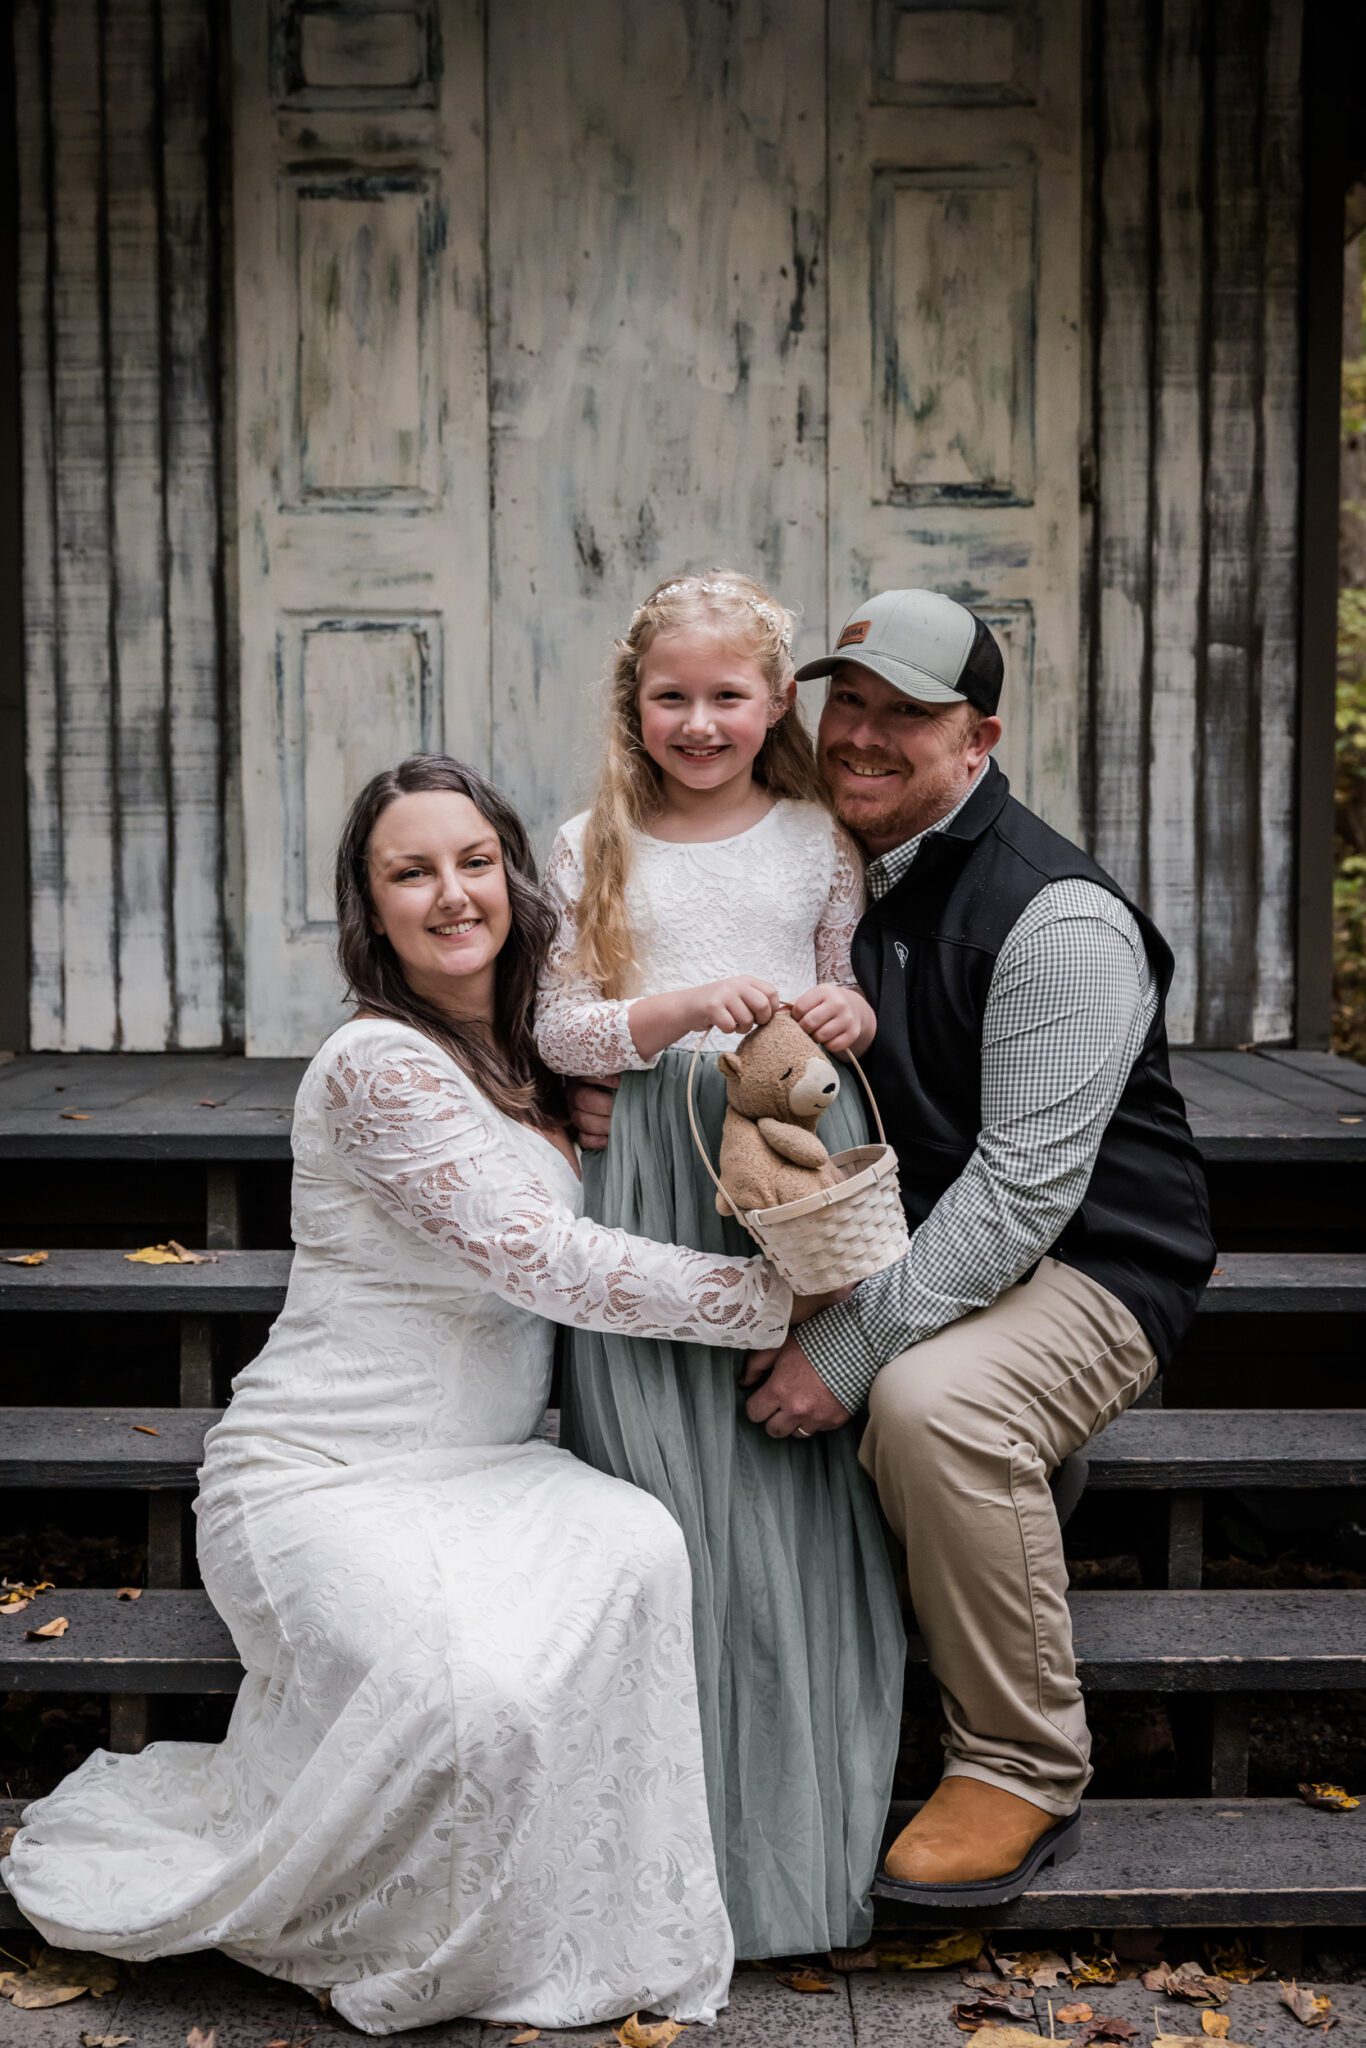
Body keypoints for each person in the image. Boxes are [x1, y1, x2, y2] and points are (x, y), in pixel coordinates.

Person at [3, 754, 832, 2035]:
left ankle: (579, 1922)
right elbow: (544, 1258)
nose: (452, 892)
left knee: (640, 1545)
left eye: (473, 860)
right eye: (411, 870)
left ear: (512, 873)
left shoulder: (534, 1057)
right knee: (473, 1696)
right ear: (371, 906)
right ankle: (432, 1938)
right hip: (324, 1477)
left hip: (495, 1475)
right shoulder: (375, 1064)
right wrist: (778, 1303)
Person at [575, 588, 1216, 1913]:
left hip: (1087, 1263)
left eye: (907, 717)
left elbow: (1025, 1195)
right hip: (902, 1235)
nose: (863, 736)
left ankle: (1019, 1765)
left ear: (976, 742)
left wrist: (853, 1349)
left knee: (928, 1409)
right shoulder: (836, 860)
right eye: (847, 703)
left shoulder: (1054, 915)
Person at [534, 571, 906, 1960]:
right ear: (633, 704)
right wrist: (668, 1013)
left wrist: (843, 1010)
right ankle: (653, 1867)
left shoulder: (816, 838)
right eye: (670, 696)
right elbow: (562, 1026)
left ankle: (791, 1857)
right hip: (647, 1176)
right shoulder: (594, 842)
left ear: (771, 704)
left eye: (727, 695)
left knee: (784, 1494)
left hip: (788, 1172)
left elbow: (849, 986)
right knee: (662, 1491)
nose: (699, 721)